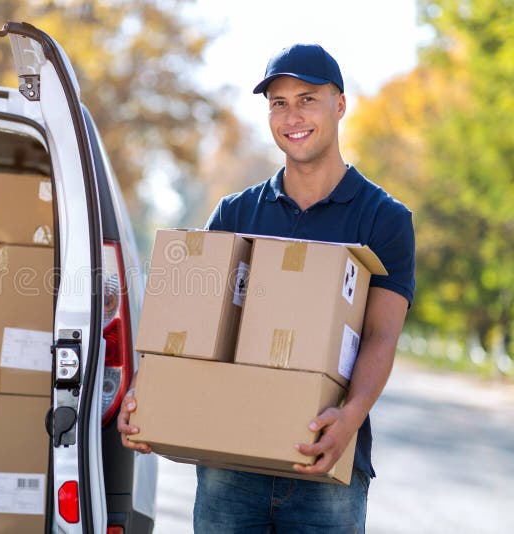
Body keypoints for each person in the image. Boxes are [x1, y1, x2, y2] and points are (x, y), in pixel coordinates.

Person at [117, 43, 415, 533]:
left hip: (324, 461)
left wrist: (352, 416)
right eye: (278, 103)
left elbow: (382, 335)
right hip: (229, 470)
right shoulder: (235, 215)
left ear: (339, 105)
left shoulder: (384, 219)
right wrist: (148, 396)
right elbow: (189, 327)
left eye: (307, 99)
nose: (291, 115)